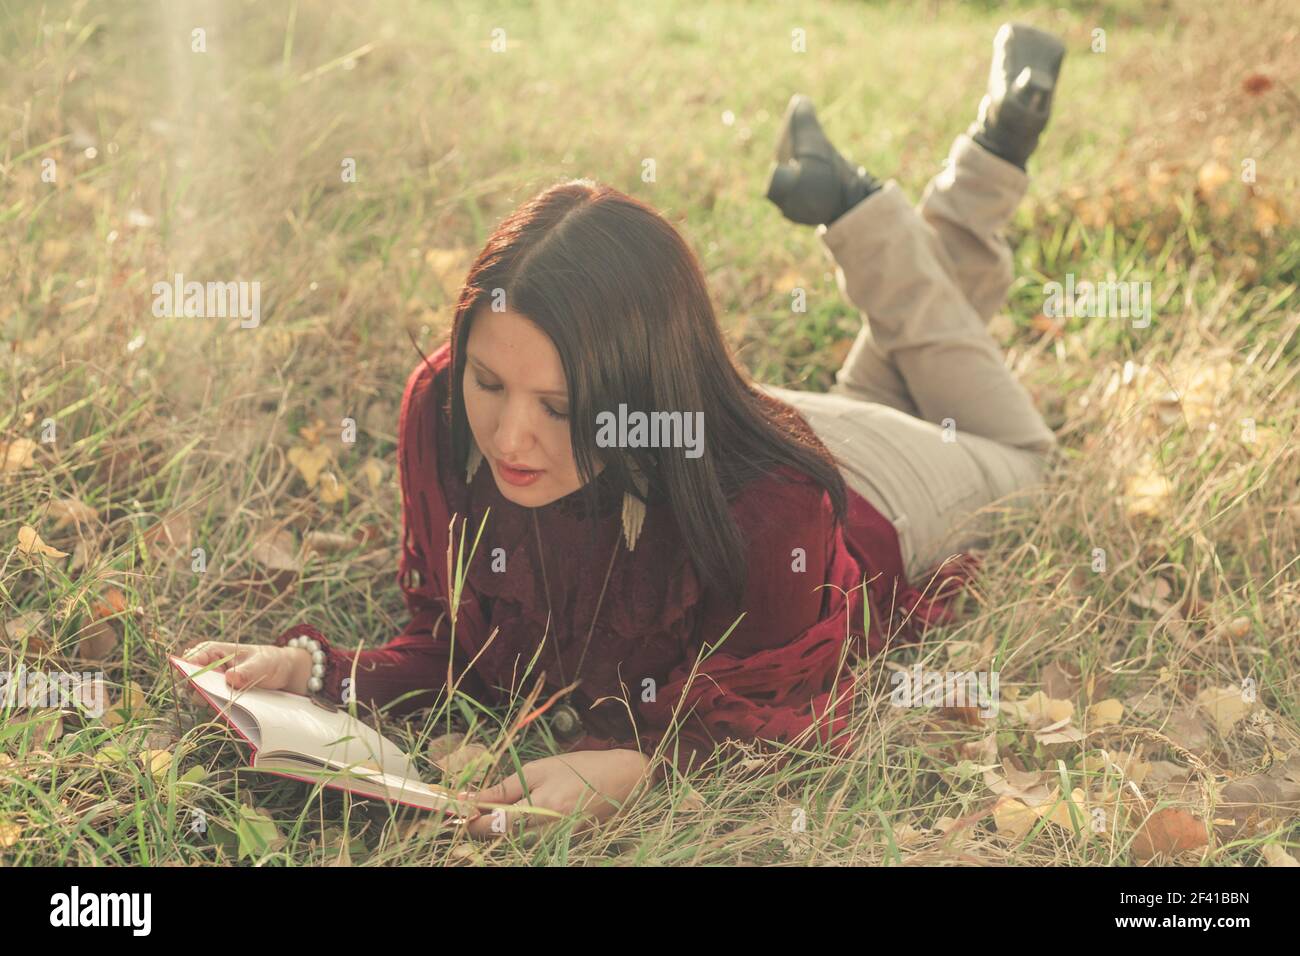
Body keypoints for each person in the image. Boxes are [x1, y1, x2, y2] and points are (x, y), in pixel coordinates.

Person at [183, 22, 1066, 838]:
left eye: (561, 408)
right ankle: (973, 164)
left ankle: (888, 199)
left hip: (880, 488)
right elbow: (456, 638)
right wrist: (317, 672)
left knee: (1029, 457)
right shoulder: (447, 409)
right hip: (751, 428)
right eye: (491, 381)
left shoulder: (775, 510)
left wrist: (642, 769)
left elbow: (787, 723)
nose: (510, 438)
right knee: (915, 361)